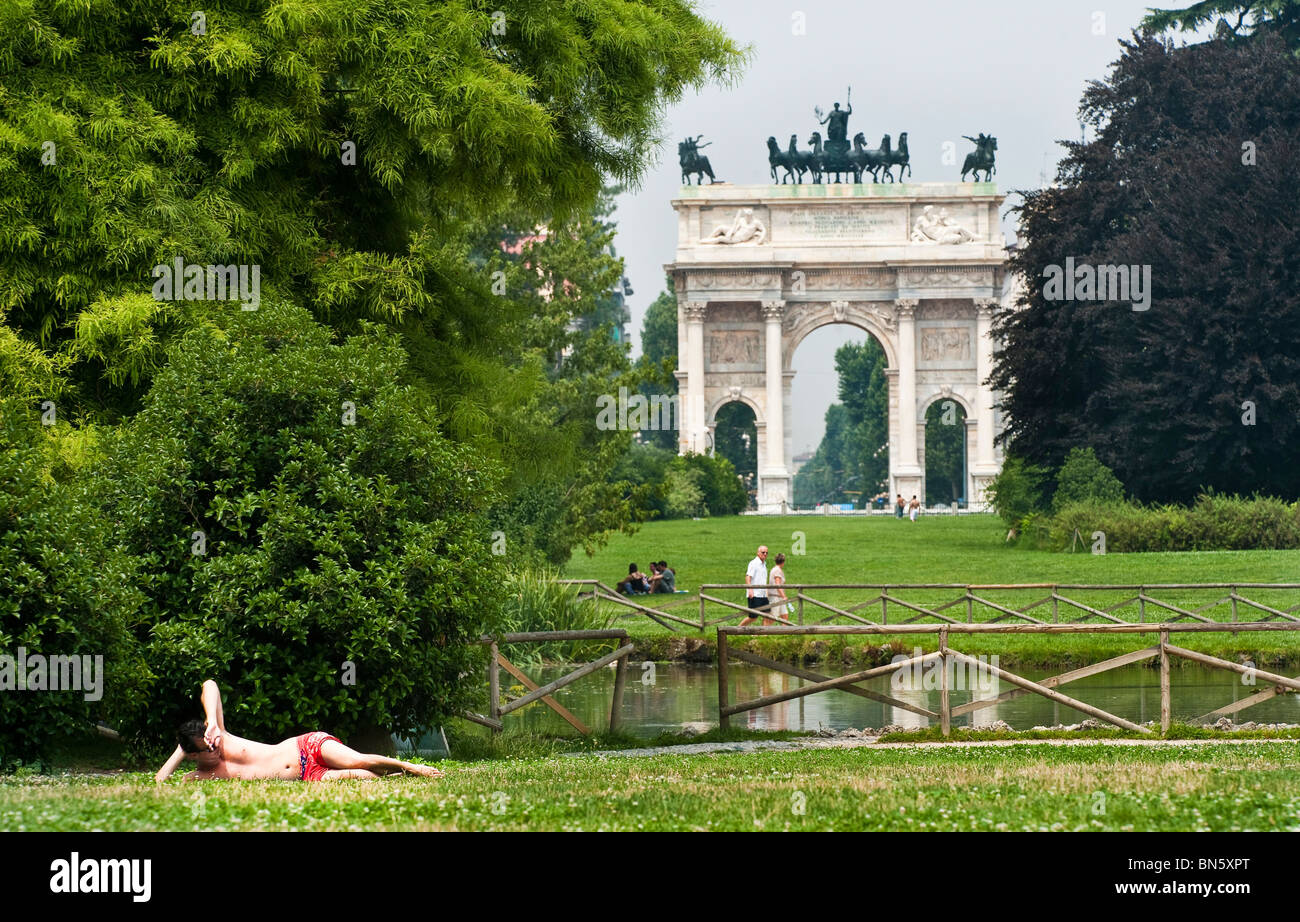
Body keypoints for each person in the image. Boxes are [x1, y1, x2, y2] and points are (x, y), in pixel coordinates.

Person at [155, 680, 443, 783]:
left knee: (358, 761)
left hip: (306, 746)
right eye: (207, 749)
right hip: (309, 775)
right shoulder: (199, 776)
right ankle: (397, 773)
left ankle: (411, 766)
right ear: (193, 756)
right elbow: (160, 780)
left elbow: (209, 685)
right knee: (366, 778)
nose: (214, 747)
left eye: (211, 742)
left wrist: (212, 723)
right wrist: (181, 749)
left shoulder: (222, 736)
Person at [738, 545, 769, 626]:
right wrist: (750, 590)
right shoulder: (754, 563)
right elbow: (748, 577)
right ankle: (737, 629)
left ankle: (762, 633)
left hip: (763, 594)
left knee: (767, 614)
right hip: (755, 594)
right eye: (763, 552)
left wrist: (766, 592)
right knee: (753, 617)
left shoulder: (764, 564)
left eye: (766, 553)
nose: (765, 554)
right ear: (758, 553)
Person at [767, 553, 789, 625]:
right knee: (773, 617)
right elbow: (778, 585)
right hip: (775, 597)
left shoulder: (776, 569)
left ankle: (783, 633)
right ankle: (761, 633)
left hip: (779, 597)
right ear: (783, 562)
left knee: (785, 616)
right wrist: (784, 596)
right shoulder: (777, 570)